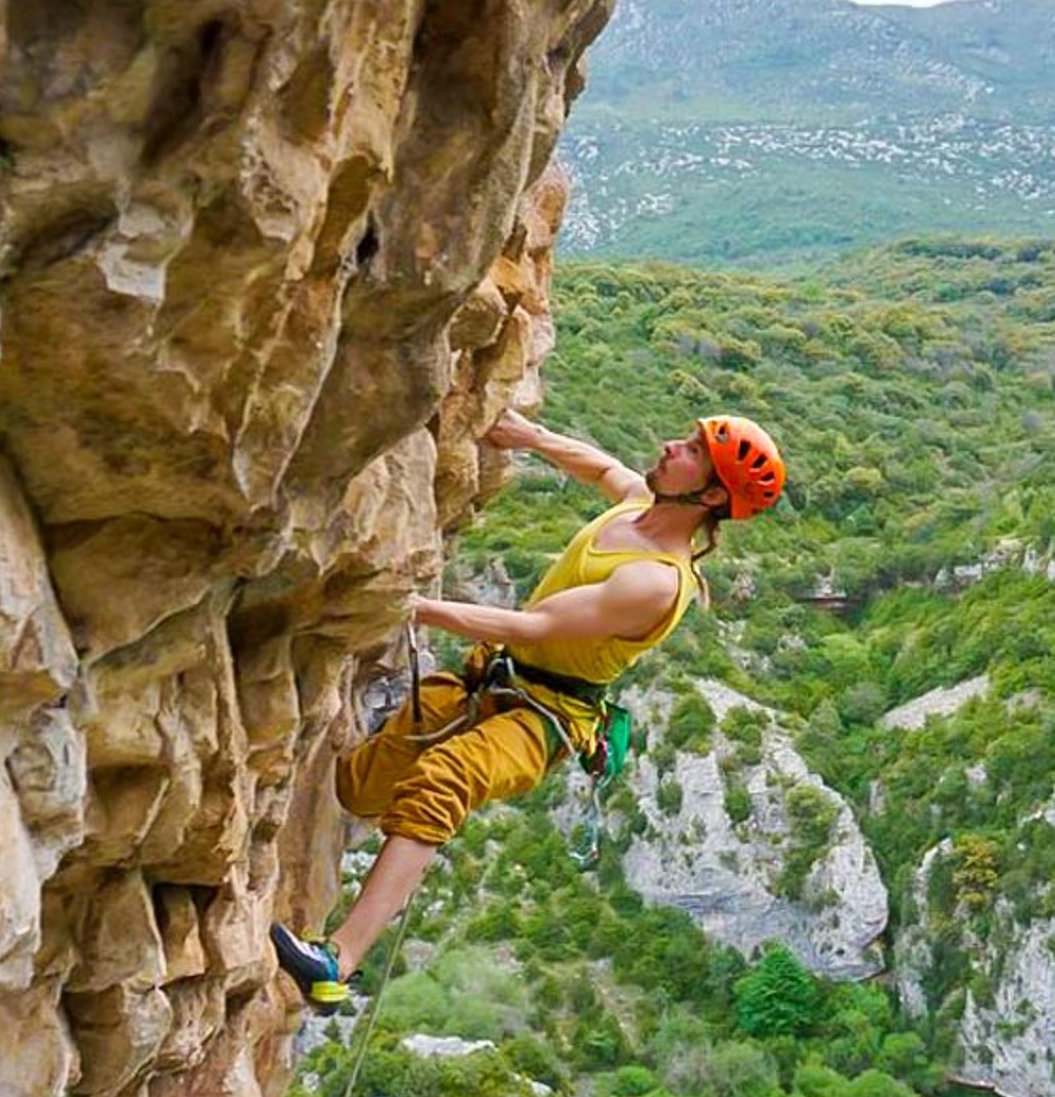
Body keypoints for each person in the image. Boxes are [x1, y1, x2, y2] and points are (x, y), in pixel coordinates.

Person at [271, 408, 785, 1011]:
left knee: (445, 778)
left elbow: (533, 625)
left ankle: (339, 960)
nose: (673, 445)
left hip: (544, 717)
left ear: (713, 493)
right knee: (357, 789)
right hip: (492, 680)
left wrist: (413, 606)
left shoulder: (656, 581)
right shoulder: (635, 505)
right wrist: (525, 435)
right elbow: (601, 467)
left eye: (694, 450)